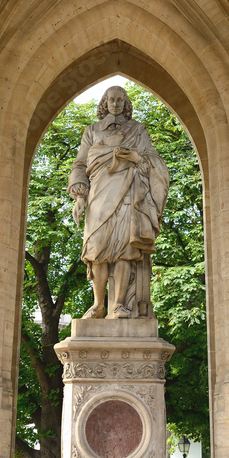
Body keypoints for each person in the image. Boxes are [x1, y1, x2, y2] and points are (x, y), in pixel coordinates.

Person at [68, 85, 169, 318]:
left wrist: (137, 157)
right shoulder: (92, 131)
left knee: (125, 249)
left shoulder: (138, 130)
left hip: (128, 196)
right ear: (105, 102)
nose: (115, 104)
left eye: (120, 100)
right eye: (111, 100)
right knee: (96, 250)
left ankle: (119, 305)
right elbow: (80, 165)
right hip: (98, 198)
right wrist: (80, 195)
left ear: (126, 104)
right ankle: (98, 305)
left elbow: (153, 160)